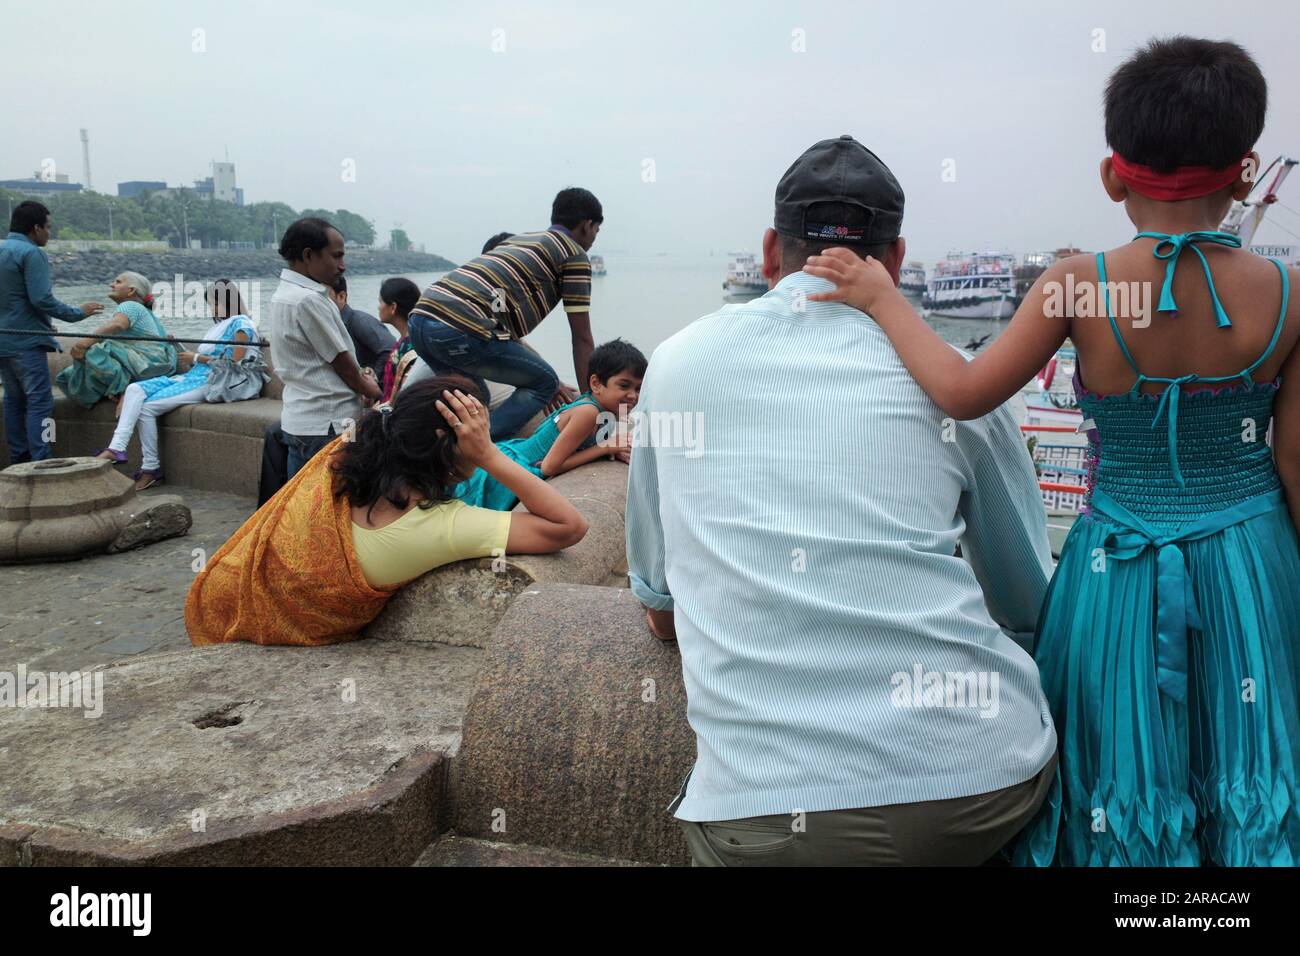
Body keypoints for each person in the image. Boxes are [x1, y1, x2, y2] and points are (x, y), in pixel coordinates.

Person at [805, 39, 1300, 867]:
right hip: (1251, 559)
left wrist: (885, 299)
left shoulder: (1076, 282)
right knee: (1250, 759)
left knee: (1118, 766)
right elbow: (1293, 466)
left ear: (1114, 175)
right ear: (1247, 173)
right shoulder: (1289, 296)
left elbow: (962, 393)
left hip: (1116, 567)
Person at [626, 135, 1058, 867]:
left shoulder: (674, 364)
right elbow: (1025, 606)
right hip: (978, 781)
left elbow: (660, 600)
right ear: (895, 261)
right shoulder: (960, 383)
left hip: (761, 810)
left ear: (771, 250)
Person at [186, 379, 588, 646]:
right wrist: (488, 455)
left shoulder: (342, 461)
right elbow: (570, 526)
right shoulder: (443, 527)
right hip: (264, 620)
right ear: (447, 442)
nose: (487, 438)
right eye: (478, 431)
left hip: (224, 592)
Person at [407, 188, 601, 440]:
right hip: (460, 328)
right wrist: (589, 408)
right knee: (544, 382)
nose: (594, 237)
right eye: (596, 230)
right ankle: (475, 450)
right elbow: (582, 337)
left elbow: (503, 333)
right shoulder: (574, 255)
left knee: (476, 399)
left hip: (421, 320)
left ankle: (443, 450)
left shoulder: (519, 241)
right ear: (587, 225)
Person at [94, 280, 264, 489]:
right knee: (135, 388)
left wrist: (196, 358)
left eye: (214, 303)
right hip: (195, 376)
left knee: (146, 408)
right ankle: (117, 447)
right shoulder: (224, 325)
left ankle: (149, 468)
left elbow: (236, 364)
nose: (212, 308)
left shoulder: (241, 325)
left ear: (226, 301)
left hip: (211, 380)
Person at [453, 338, 643, 511]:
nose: (633, 395)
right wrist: (603, 448)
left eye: (638, 388)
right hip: (516, 467)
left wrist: (610, 448)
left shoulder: (600, 408)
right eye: (624, 386)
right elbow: (549, 467)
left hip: (515, 453)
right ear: (596, 384)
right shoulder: (588, 412)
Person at [268, 217, 382, 480]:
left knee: (304, 504)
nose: (342, 266)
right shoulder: (308, 300)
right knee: (336, 502)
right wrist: (372, 389)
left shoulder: (283, 295)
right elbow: (342, 362)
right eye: (336, 256)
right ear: (309, 255)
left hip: (300, 419)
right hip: (331, 423)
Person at [0, 200, 104, 462]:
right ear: (35, 228)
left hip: (4, 342)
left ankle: (18, 460)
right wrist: (77, 313)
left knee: (13, 401)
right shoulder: (32, 253)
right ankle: (43, 459)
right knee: (41, 403)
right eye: (48, 227)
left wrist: (43, 324)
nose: (49, 233)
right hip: (27, 346)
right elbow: (41, 299)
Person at [55, 272, 177, 408]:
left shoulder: (130, 305)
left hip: (144, 363)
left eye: (118, 282)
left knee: (97, 350)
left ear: (131, 291)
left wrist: (84, 343)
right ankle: (116, 388)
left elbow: (117, 325)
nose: (111, 285)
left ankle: (121, 388)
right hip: (156, 365)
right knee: (68, 375)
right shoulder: (146, 311)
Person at [328, 275, 393, 381]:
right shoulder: (330, 324)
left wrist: (371, 381)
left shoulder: (361, 321)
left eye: (324, 296)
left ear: (341, 297)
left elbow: (390, 349)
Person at [376, 276, 419, 402]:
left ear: (393, 307)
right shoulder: (411, 340)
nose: (379, 307)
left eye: (381, 302)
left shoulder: (408, 347)